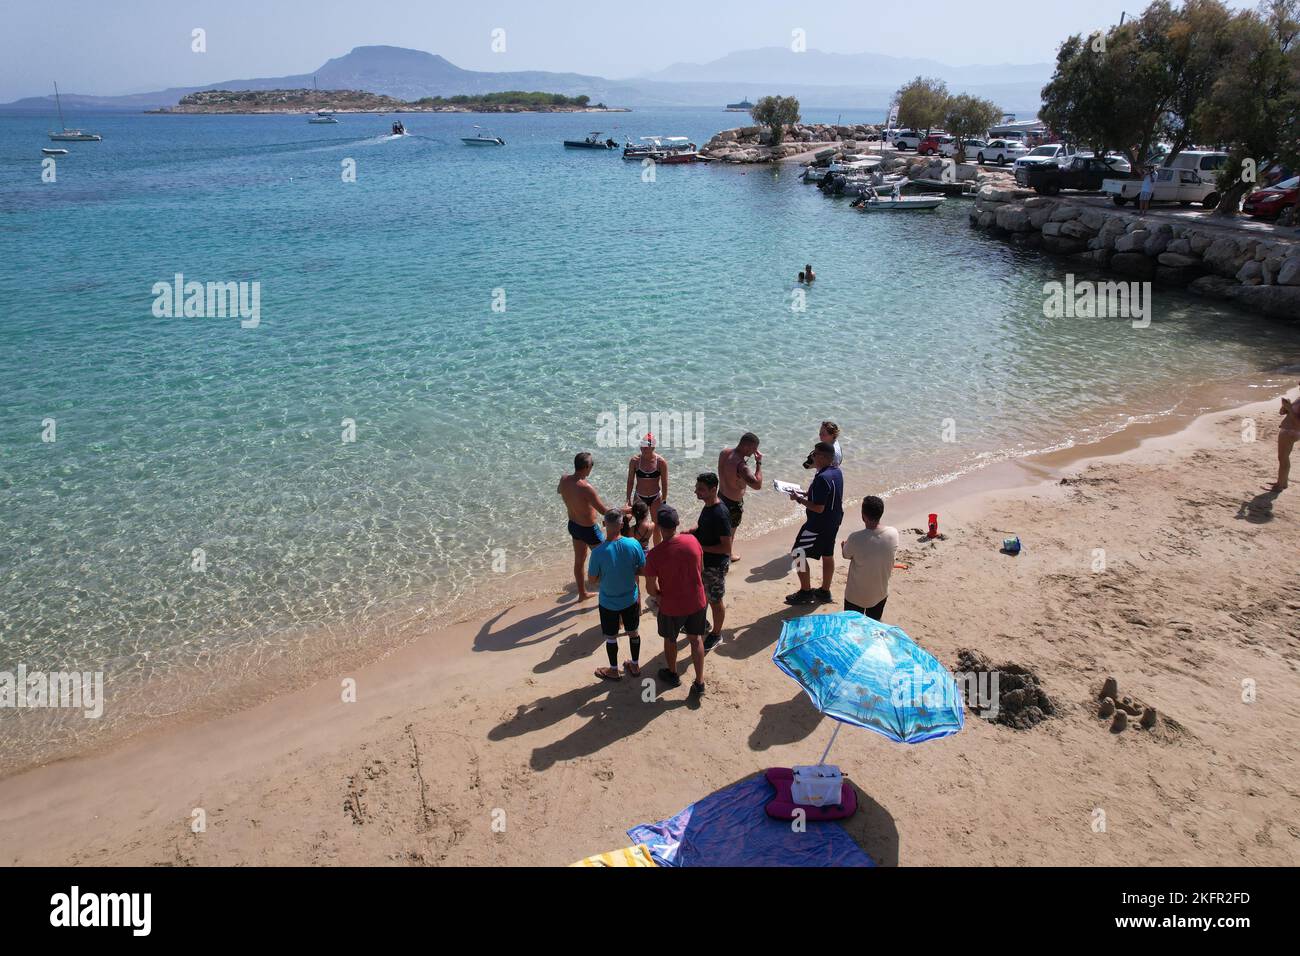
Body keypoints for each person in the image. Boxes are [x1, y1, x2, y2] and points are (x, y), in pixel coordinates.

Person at [643, 505, 708, 695]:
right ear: (678, 523)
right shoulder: (693, 541)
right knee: (696, 639)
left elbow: (650, 588)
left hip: (672, 606)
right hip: (697, 600)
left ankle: (672, 673)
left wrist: (659, 596)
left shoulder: (655, 555)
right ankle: (699, 682)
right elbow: (701, 569)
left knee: (670, 640)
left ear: (658, 527)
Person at [587, 509, 646, 680]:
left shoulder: (598, 552)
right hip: (630, 598)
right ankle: (634, 665)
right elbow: (642, 568)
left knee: (611, 637)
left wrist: (607, 576)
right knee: (633, 632)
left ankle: (613, 669)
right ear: (622, 524)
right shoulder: (634, 544)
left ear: (604, 524)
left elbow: (592, 580)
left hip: (608, 602)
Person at [785, 441, 844, 606]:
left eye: (815, 454)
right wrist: (804, 493)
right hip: (834, 521)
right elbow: (826, 494)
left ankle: (805, 592)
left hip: (818, 524)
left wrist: (799, 499)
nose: (812, 456)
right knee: (827, 554)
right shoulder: (836, 472)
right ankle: (825, 591)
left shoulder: (822, 478)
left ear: (824, 457)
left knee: (798, 553)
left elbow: (818, 508)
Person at [557, 452, 619, 601]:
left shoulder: (564, 479)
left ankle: (582, 593)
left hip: (573, 525)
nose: (592, 467)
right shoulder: (586, 488)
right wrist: (622, 511)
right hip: (589, 530)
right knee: (607, 560)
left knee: (579, 561)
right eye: (592, 465)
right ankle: (611, 593)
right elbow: (604, 511)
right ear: (586, 467)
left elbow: (559, 491)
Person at [687, 473, 732, 650]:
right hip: (704, 563)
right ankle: (703, 625)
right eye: (697, 488)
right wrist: (692, 531)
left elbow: (726, 548)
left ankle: (716, 634)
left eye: (701, 489)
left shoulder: (720, 514)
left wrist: (700, 546)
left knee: (715, 600)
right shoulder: (708, 506)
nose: (696, 492)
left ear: (714, 490)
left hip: (715, 566)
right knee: (701, 596)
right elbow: (704, 527)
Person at [841, 495, 899, 621]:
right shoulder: (893, 533)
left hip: (855, 597)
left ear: (863, 516)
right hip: (880, 594)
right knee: (873, 624)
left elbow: (846, 555)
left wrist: (843, 546)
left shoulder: (855, 538)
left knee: (853, 627)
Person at [717, 433, 762, 562]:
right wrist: (759, 463)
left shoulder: (724, 453)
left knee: (719, 529)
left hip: (720, 496)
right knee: (730, 532)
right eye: (754, 449)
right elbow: (757, 485)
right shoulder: (741, 466)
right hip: (733, 503)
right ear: (747, 447)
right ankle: (728, 556)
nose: (755, 452)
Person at [625, 433, 669, 545]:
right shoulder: (634, 461)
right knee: (639, 527)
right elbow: (630, 481)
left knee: (657, 527)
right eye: (642, 445)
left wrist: (663, 500)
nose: (643, 448)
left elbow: (664, 483)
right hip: (640, 497)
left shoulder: (661, 462)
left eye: (646, 446)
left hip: (655, 497)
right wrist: (628, 499)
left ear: (653, 447)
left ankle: (656, 553)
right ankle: (639, 552)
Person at [1273, 385, 1300, 491]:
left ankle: (1279, 485)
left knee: (1283, 458)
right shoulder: (1299, 399)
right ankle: (1283, 482)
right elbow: (1282, 413)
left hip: (1290, 432)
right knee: (1283, 458)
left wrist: (1290, 409)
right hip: (1288, 430)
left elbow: (1298, 423)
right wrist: (1285, 407)